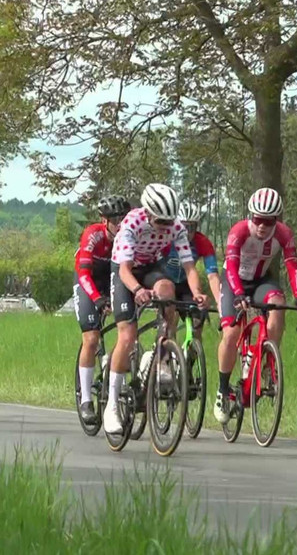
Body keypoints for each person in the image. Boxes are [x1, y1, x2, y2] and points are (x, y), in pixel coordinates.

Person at [102, 183, 208, 434]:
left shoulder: (176, 227)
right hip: (124, 270)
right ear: (148, 214)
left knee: (167, 290)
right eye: (161, 221)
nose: (166, 227)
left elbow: (190, 268)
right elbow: (126, 270)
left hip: (150, 266)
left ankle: (162, 357)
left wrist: (197, 294)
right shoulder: (131, 224)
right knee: (127, 336)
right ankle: (111, 405)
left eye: (170, 221)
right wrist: (138, 290)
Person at [213, 188, 297, 424]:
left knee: (278, 303)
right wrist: (237, 294)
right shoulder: (239, 231)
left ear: (277, 221)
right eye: (257, 219)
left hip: (261, 281)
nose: (262, 226)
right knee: (232, 333)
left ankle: (268, 362)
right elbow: (232, 267)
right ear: (250, 216)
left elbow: (293, 266)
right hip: (234, 280)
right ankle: (222, 390)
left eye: (268, 221)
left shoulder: (284, 234)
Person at [73, 195, 130, 424]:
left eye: (122, 218)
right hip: (88, 280)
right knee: (92, 338)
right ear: (104, 220)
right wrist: (97, 299)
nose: (119, 223)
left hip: (113, 279)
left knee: (127, 331)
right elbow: (84, 273)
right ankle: (86, 400)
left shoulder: (128, 237)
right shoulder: (93, 235)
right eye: (114, 219)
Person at [164, 201, 221, 335]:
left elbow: (212, 275)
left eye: (191, 227)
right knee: (168, 325)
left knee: (197, 323)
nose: (186, 232)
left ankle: (193, 352)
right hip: (166, 282)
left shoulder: (202, 242)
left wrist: (219, 301)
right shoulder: (165, 239)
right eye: (182, 227)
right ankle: (165, 351)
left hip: (186, 285)